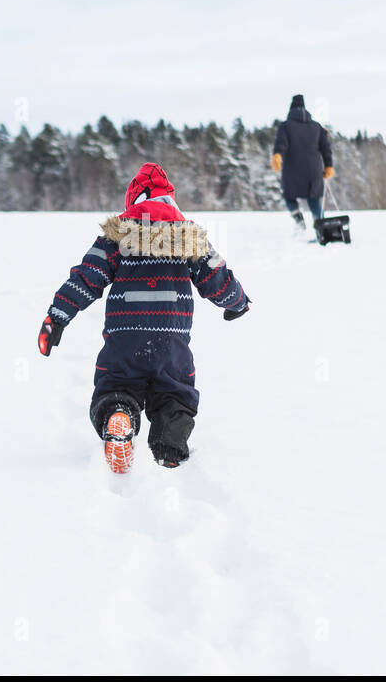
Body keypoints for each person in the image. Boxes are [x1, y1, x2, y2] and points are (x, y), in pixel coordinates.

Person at [36, 162, 250, 473]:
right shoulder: (189, 237)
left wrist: (57, 317)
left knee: (117, 386)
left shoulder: (116, 237)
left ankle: (118, 416)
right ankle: (169, 447)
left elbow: (86, 277)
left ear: (133, 200)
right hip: (171, 341)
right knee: (175, 394)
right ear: (171, 199)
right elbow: (218, 277)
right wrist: (238, 303)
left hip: (124, 339)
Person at [271, 93, 334, 229]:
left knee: (289, 196)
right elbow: (326, 148)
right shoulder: (317, 127)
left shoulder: (285, 126)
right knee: (314, 198)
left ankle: (299, 222)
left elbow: (281, 143)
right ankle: (321, 226)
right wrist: (329, 166)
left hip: (293, 169)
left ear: (291, 109)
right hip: (314, 170)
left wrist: (277, 155)